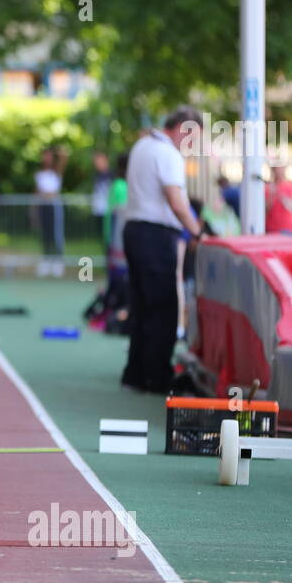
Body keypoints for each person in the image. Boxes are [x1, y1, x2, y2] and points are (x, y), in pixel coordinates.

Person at [120, 107, 204, 394]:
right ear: (182, 127)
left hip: (135, 230)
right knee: (164, 307)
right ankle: (157, 376)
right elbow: (176, 200)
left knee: (142, 306)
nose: (191, 146)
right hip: (155, 234)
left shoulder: (142, 144)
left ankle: (135, 373)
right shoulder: (167, 154)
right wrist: (196, 231)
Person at [34, 147, 67, 276]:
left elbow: (63, 160)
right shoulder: (39, 174)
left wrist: (59, 152)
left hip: (54, 207)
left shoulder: (56, 172)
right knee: (45, 234)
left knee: (56, 234)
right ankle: (46, 260)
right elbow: (38, 192)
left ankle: (58, 261)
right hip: (44, 207)